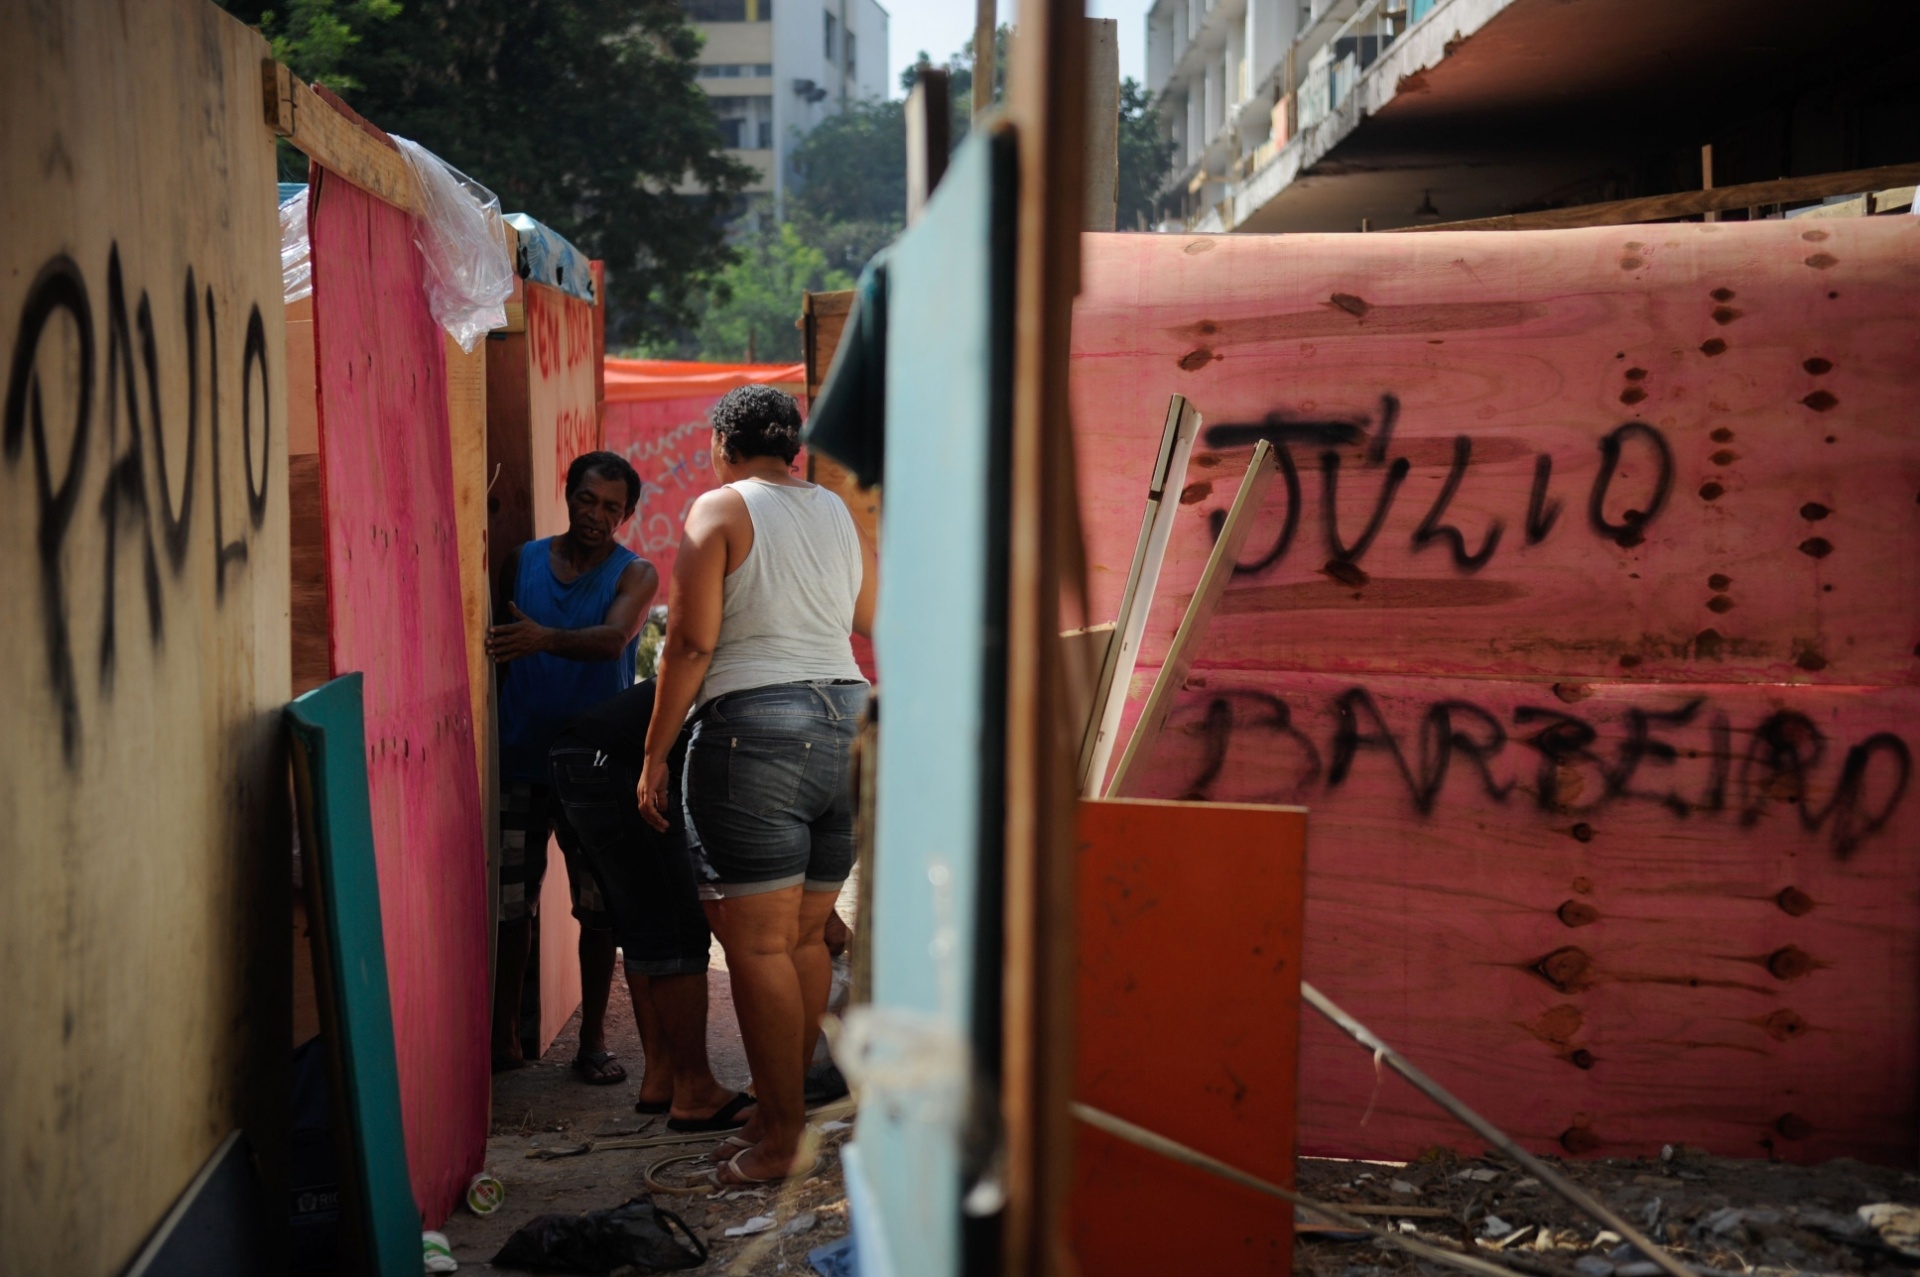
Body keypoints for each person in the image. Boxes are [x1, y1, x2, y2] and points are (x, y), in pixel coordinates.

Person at [637, 385, 875, 1186]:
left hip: (755, 732)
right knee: (803, 938)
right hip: (848, 719)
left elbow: (692, 644)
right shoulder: (834, 512)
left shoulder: (719, 509)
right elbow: (865, 612)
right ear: (793, 449)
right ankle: (787, 1122)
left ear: (719, 443)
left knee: (760, 946)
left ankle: (780, 1139)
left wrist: (655, 752)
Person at [488, 450, 654, 1084]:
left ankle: (591, 1043)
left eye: (613, 507)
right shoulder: (523, 562)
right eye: (588, 500)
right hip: (519, 759)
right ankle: (503, 1038)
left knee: (598, 908)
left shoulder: (634, 574)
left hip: (593, 767)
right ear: (569, 495)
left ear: (628, 514)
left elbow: (614, 640)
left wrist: (543, 640)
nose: (597, 515)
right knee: (510, 906)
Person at [546, 678, 755, 1130]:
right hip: (612, 764)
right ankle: (695, 1092)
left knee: (646, 925)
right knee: (677, 927)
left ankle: (662, 1080)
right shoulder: (754, 691)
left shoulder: (739, 674)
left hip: (577, 758)